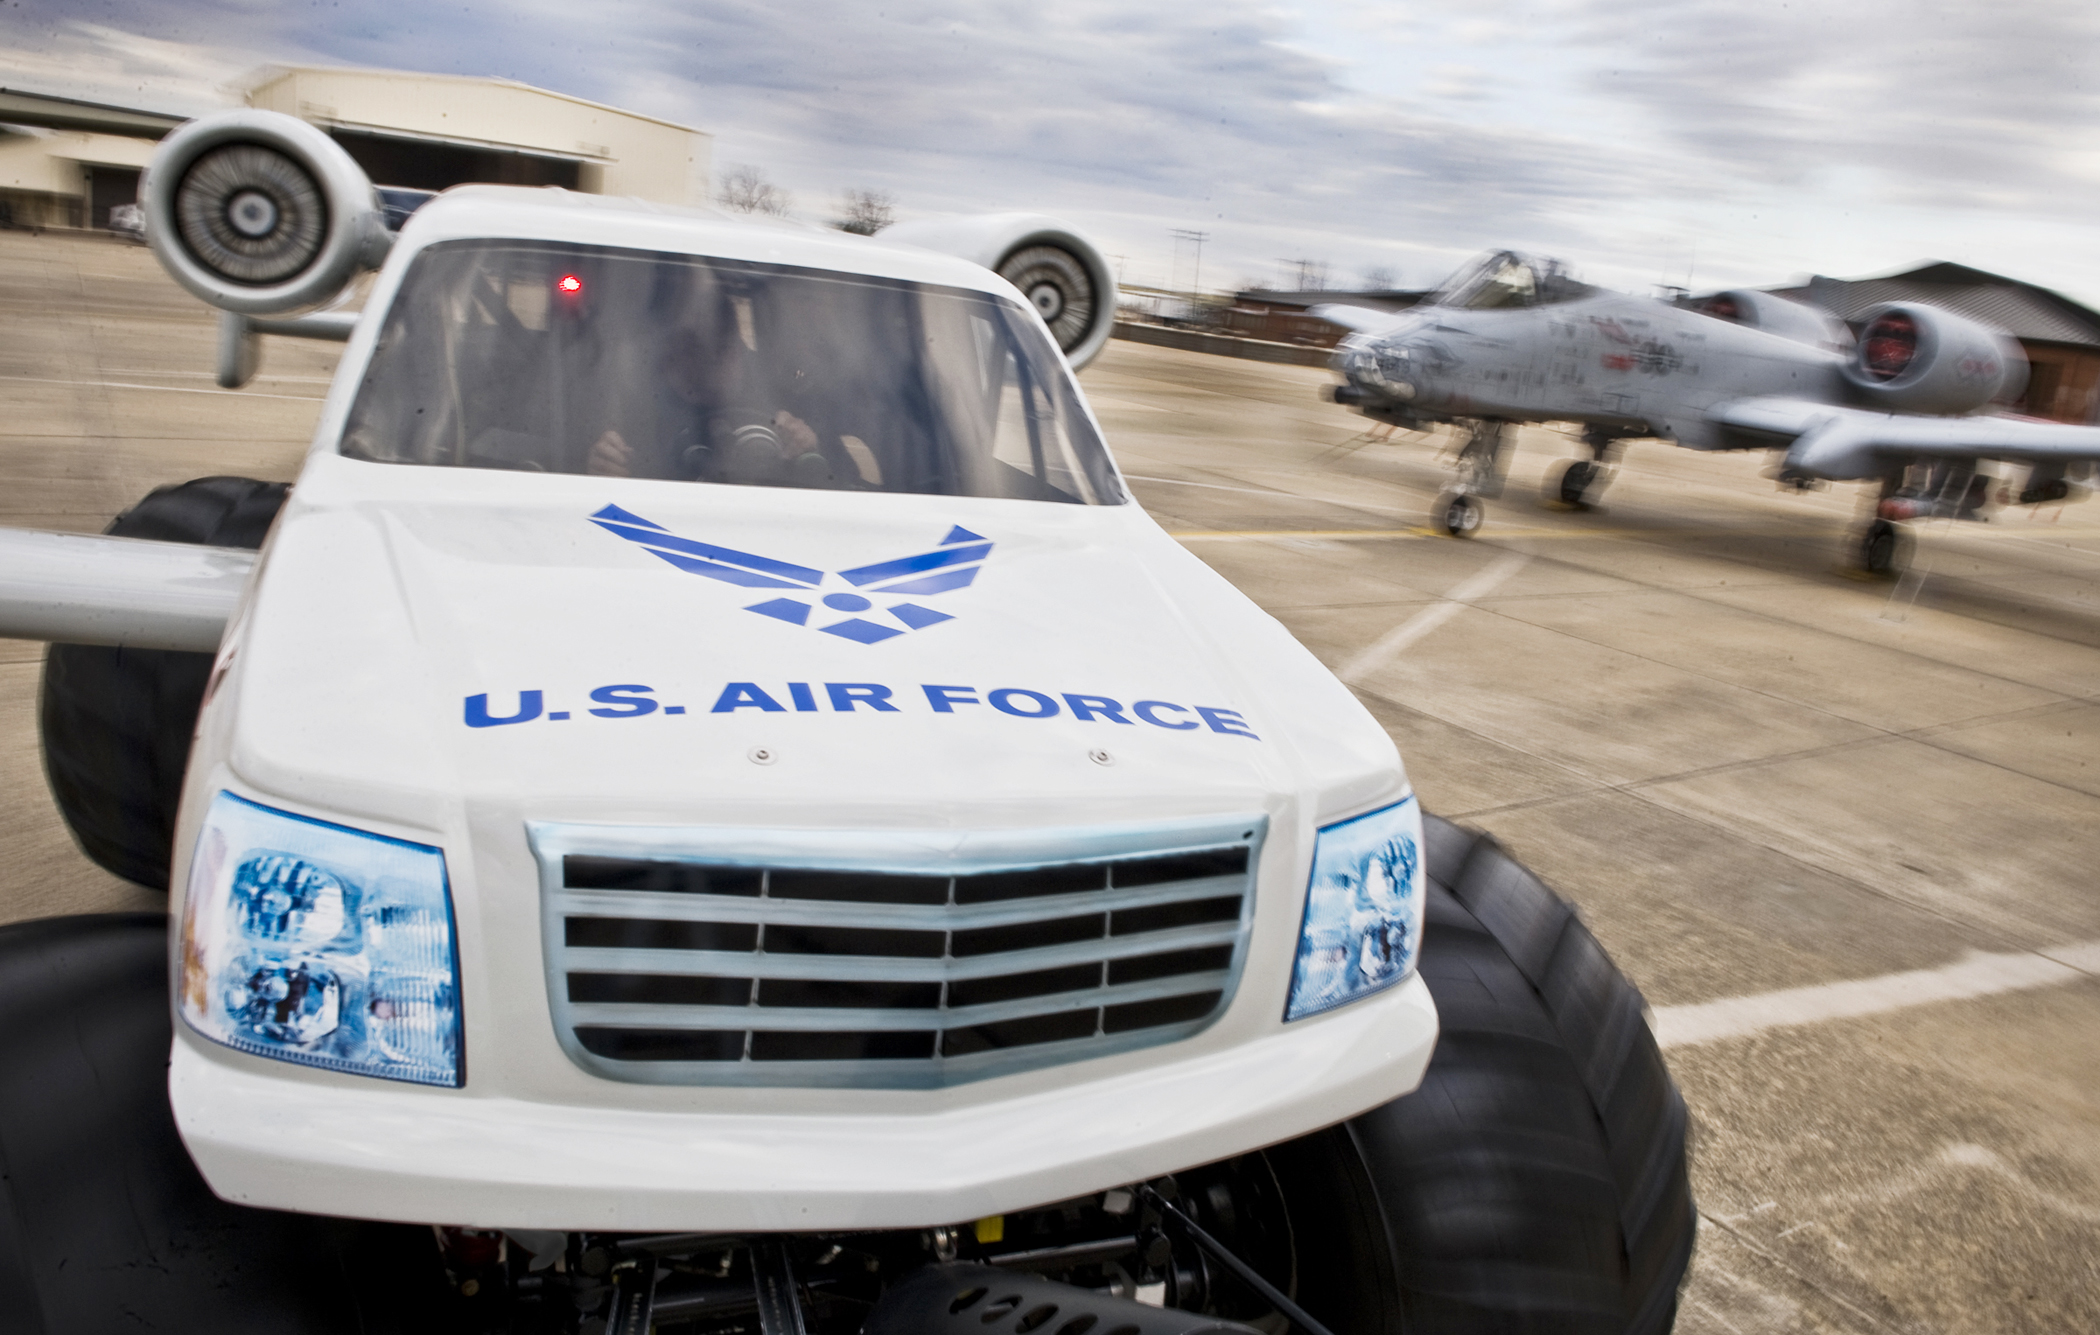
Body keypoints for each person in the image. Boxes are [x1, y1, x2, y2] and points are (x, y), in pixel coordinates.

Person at [583, 286, 834, 487]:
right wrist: (600, 469)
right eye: (692, 350)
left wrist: (810, 452)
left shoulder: (785, 403)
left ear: (739, 351)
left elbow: (847, 485)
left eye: (720, 347)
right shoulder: (629, 417)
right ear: (668, 356)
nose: (707, 363)